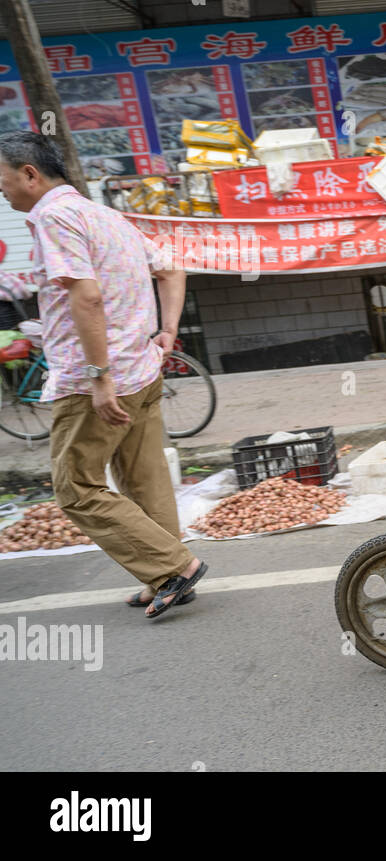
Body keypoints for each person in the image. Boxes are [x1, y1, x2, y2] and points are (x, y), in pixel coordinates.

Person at [0, 131, 207, 619]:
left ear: (29, 174)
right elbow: (172, 270)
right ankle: (167, 576)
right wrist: (168, 332)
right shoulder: (103, 214)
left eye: (2, 180)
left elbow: (86, 297)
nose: (1, 192)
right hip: (143, 368)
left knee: (76, 488)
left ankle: (176, 566)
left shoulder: (53, 217)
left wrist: (99, 376)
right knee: (144, 478)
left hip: (96, 378)